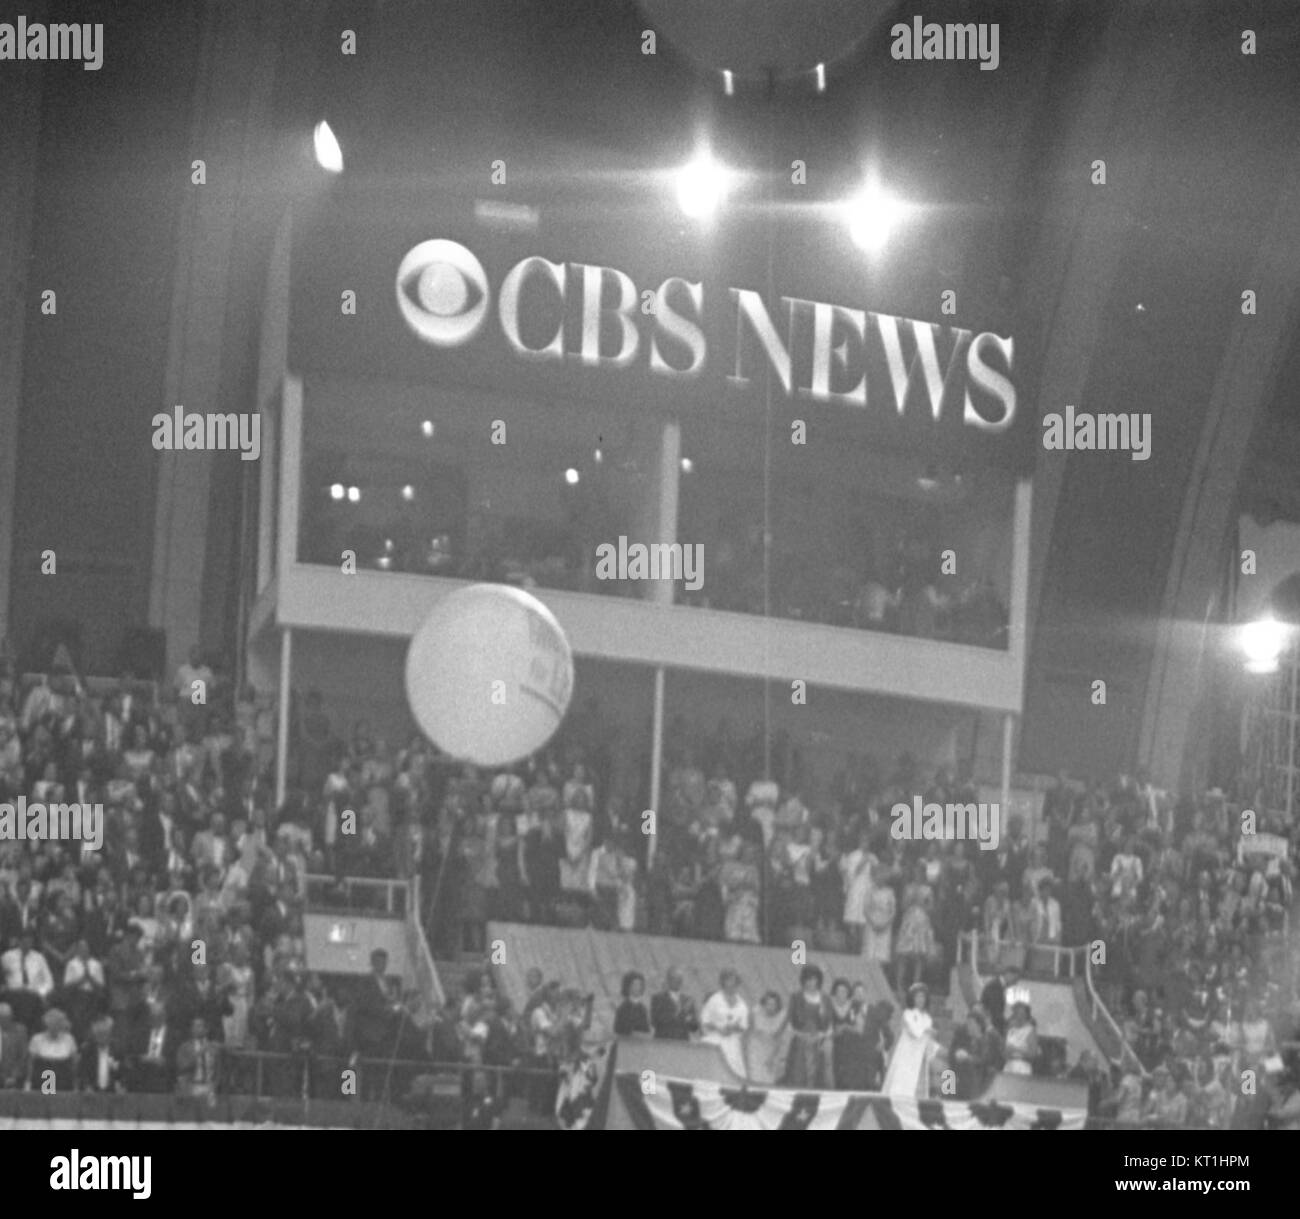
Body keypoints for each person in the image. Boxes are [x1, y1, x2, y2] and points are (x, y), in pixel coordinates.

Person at [883, 982, 938, 1097]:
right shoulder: (908, 1013)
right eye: (917, 997)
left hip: (920, 1054)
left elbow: (928, 1039)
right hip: (907, 1054)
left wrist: (931, 1039)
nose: (920, 1000)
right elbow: (914, 1031)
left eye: (922, 997)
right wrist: (926, 1030)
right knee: (903, 1084)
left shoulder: (928, 1018)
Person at [785, 965, 833, 1088]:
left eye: (814, 979)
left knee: (817, 1074)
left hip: (819, 1041)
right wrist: (800, 1035)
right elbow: (789, 1022)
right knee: (798, 1074)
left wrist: (823, 1034)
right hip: (800, 1041)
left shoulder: (825, 998)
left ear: (819, 980)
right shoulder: (796, 997)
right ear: (803, 980)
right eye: (808, 979)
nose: (811, 982)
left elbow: (830, 1023)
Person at [699, 969, 749, 1077]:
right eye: (728, 980)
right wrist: (719, 1028)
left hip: (733, 1043)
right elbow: (705, 1021)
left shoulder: (742, 1004)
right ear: (723, 982)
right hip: (716, 1040)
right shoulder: (714, 1000)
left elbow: (743, 1027)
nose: (731, 984)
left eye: (734, 981)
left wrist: (733, 1028)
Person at [746, 991, 789, 1085]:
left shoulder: (781, 1017)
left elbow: (779, 1041)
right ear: (764, 1004)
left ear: (777, 1005)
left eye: (773, 1004)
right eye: (768, 1003)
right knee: (754, 1078)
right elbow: (750, 1032)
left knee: (768, 1079)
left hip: (771, 1050)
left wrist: (771, 1058)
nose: (770, 1006)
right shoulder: (756, 1012)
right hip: (755, 1049)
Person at [650, 968, 699, 1040]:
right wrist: (682, 1014)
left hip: (683, 1042)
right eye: (674, 979)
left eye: (680, 979)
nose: (678, 982)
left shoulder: (688, 1000)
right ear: (668, 980)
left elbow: (694, 1027)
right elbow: (655, 1021)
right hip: (663, 1041)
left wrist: (690, 1020)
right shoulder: (658, 998)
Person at [1003, 999, 1039, 1075]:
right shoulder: (1010, 1029)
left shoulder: (1030, 1030)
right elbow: (1005, 1049)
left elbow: (1033, 1054)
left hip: (1022, 1066)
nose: (1018, 1015)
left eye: (1021, 1013)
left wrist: (1016, 1049)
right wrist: (1006, 1052)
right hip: (1009, 1065)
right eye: (1016, 1012)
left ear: (1026, 1014)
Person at [613, 971, 651, 1036]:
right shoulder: (623, 1008)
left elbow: (646, 1029)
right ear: (628, 987)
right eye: (635, 985)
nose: (638, 988)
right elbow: (618, 1030)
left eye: (640, 985)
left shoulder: (642, 1008)